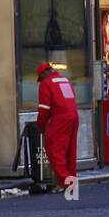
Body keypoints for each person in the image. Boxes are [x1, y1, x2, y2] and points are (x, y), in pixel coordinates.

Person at [36, 61, 79, 191]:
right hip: (74, 116)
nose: (40, 80)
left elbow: (44, 109)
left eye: (40, 78)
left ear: (43, 74)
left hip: (60, 117)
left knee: (56, 150)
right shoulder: (64, 80)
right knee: (70, 151)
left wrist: (41, 126)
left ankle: (64, 183)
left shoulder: (46, 83)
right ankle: (71, 181)